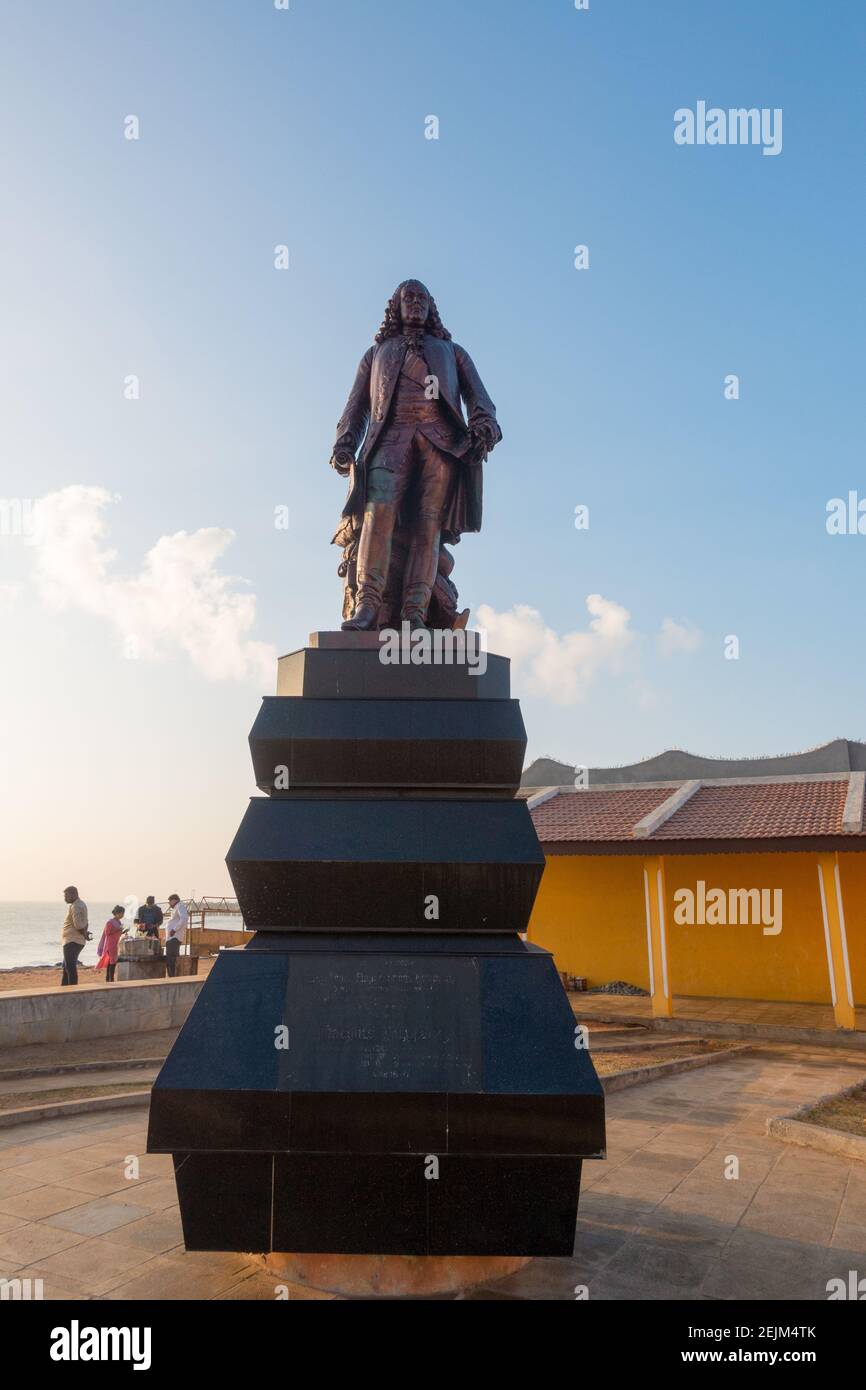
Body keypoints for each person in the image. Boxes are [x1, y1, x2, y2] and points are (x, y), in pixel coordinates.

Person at [330, 279, 501, 631]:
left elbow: (479, 399)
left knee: (428, 529)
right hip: (389, 443)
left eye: (423, 298)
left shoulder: (452, 351)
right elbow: (356, 406)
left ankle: (415, 613)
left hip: (440, 446)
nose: (416, 303)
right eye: (408, 297)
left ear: (431, 306)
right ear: (396, 306)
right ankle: (367, 605)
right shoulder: (376, 353)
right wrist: (345, 442)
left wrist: (484, 424)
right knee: (377, 520)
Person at [60, 886, 91, 986]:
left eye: (66, 896)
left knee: (70, 967)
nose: (65, 898)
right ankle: (64, 990)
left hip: (72, 940)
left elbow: (78, 924)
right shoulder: (79, 904)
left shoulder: (76, 906)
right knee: (66, 967)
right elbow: (85, 922)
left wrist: (84, 932)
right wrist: (85, 933)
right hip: (75, 940)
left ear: (74, 894)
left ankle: (72, 990)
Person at [96, 905, 125, 983]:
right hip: (110, 944)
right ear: (117, 913)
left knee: (111, 961)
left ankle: (108, 978)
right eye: (122, 913)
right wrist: (118, 929)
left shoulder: (118, 922)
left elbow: (117, 932)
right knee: (112, 961)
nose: (123, 915)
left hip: (115, 944)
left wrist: (123, 931)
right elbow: (107, 932)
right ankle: (111, 978)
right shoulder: (110, 922)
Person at [163, 894, 188, 977]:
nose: (169, 903)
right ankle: (172, 975)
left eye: (169, 901)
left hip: (175, 937)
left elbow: (184, 918)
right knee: (170, 958)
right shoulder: (177, 907)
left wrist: (174, 929)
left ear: (174, 900)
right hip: (171, 938)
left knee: (171, 959)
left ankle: (173, 976)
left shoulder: (180, 906)